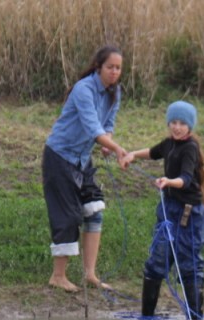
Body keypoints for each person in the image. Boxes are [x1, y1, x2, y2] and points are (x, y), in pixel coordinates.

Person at [42, 46, 130, 293]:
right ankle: (57, 276)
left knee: (95, 211)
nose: (114, 72)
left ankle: (90, 274)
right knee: (68, 216)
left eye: (118, 68)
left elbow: (106, 125)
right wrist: (116, 148)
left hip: (81, 159)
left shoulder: (116, 91)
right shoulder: (84, 89)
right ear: (98, 67)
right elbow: (93, 127)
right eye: (110, 67)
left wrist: (107, 143)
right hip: (59, 157)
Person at [120, 100, 204, 319]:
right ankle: (147, 317)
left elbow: (186, 179)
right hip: (168, 210)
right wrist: (132, 155)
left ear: (190, 126)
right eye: (173, 122)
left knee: (189, 265)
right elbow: (153, 152)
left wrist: (169, 182)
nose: (177, 127)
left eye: (182, 123)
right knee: (157, 261)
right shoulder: (169, 144)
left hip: (189, 214)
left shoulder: (190, 148)